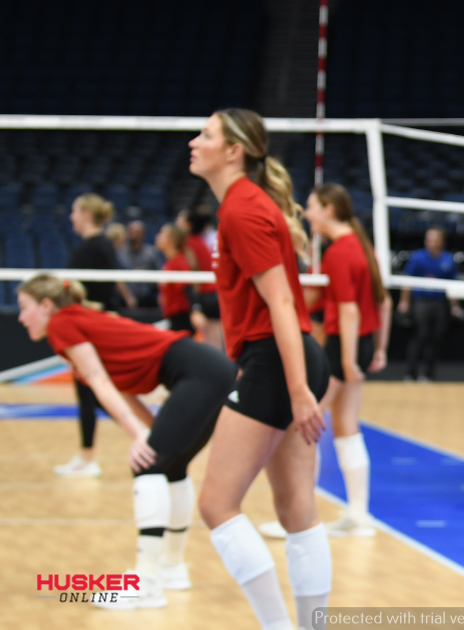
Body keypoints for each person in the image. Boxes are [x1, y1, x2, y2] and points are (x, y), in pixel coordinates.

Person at [189, 108, 331, 630]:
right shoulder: (246, 204)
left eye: (205, 134)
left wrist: (295, 390)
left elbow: (281, 305)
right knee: (297, 509)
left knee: (217, 504)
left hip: (276, 360)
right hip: (288, 357)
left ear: (234, 151)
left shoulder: (241, 211)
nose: (193, 141)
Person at [16, 274, 235, 609]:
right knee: (171, 467)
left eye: (24, 308)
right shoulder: (77, 321)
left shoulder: (62, 323)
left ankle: (145, 585)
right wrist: (149, 431)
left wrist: (139, 438)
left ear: (46, 306)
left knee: (147, 467)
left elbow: (100, 382)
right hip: (209, 368)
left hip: (197, 370)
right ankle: (173, 570)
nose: (20, 317)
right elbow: (120, 387)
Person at [306, 183, 391, 534]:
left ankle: (301, 518)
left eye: (310, 206)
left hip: (344, 347)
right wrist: (380, 348)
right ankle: (358, 516)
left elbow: (349, 310)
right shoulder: (361, 245)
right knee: (345, 425)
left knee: (306, 427)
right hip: (360, 344)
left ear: (328, 209)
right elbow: (382, 301)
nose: (306, 213)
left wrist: (348, 360)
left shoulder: (340, 252)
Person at [55, 193, 137, 479]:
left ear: (88, 214)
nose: (71, 216)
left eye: (75, 211)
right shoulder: (95, 245)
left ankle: (89, 457)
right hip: (88, 326)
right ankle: (147, 437)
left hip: (90, 330)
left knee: (92, 394)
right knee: (96, 396)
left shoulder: (96, 246)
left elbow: (101, 293)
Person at [400, 226, 463, 382]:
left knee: (436, 338)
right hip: (421, 302)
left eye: (435, 239)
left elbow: (452, 286)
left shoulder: (448, 259)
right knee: (420, 335)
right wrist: (404, 302)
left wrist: (455, 305)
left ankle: (428, 374)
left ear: (442, 241)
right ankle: (410, 373)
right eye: (429, 239)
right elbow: (407, 281)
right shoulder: (418, 257)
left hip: (439, 303)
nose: (431, 242)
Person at [178, 208, 224, 351]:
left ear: (188, 225)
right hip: (215, 294)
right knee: (216, 343)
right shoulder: (201, 242)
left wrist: (195, 305)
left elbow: (193, 271)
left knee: (212, 345)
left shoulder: (189, 244)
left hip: (206, 296)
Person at [156, 224, 197, 334]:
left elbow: (187, 289)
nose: (157, 237)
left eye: (161, 234)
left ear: (171, 240)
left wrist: (195, 311)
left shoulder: (179, 262)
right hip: (172, 317)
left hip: (182, 319)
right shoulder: (169, 262)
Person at [122, 220, 163, 307]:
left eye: (136, 232)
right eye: (130, 231)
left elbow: (160, 273)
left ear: (143, 234)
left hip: (148, 297)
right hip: (126, 297)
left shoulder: (151, 252)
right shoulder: (121, 252)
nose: (132, 235)